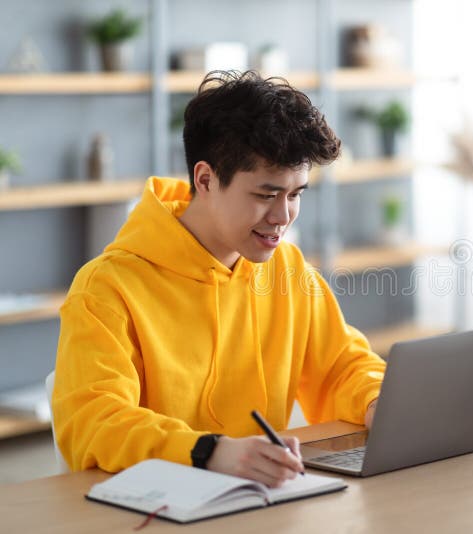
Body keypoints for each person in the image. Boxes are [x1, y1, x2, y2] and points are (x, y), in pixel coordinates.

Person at [52, 71, 386, 487]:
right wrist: (207, 451)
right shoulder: (106, 288)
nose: (283, 216)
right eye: (266, 194)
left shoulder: (288, 269)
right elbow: (94, 422)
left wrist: (377, 402)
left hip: (263, 498)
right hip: (155, 505)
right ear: (206, 179)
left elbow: (340, 366)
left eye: (296, 194)